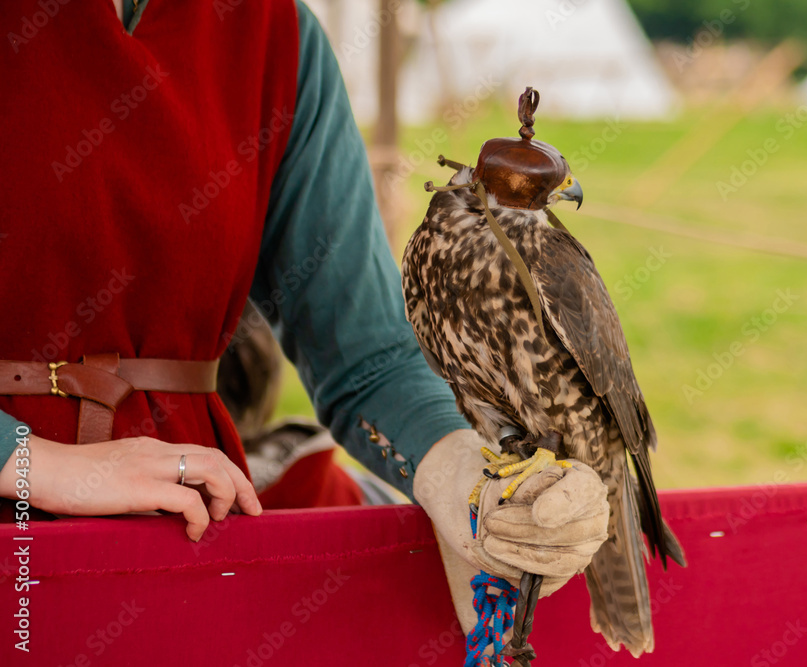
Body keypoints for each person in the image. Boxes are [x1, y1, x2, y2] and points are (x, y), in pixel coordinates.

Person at [0, 0, 607, 632]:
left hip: (192, 529)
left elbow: (367, 360)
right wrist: (29, 463)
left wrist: (463, 474)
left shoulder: (273, 30)